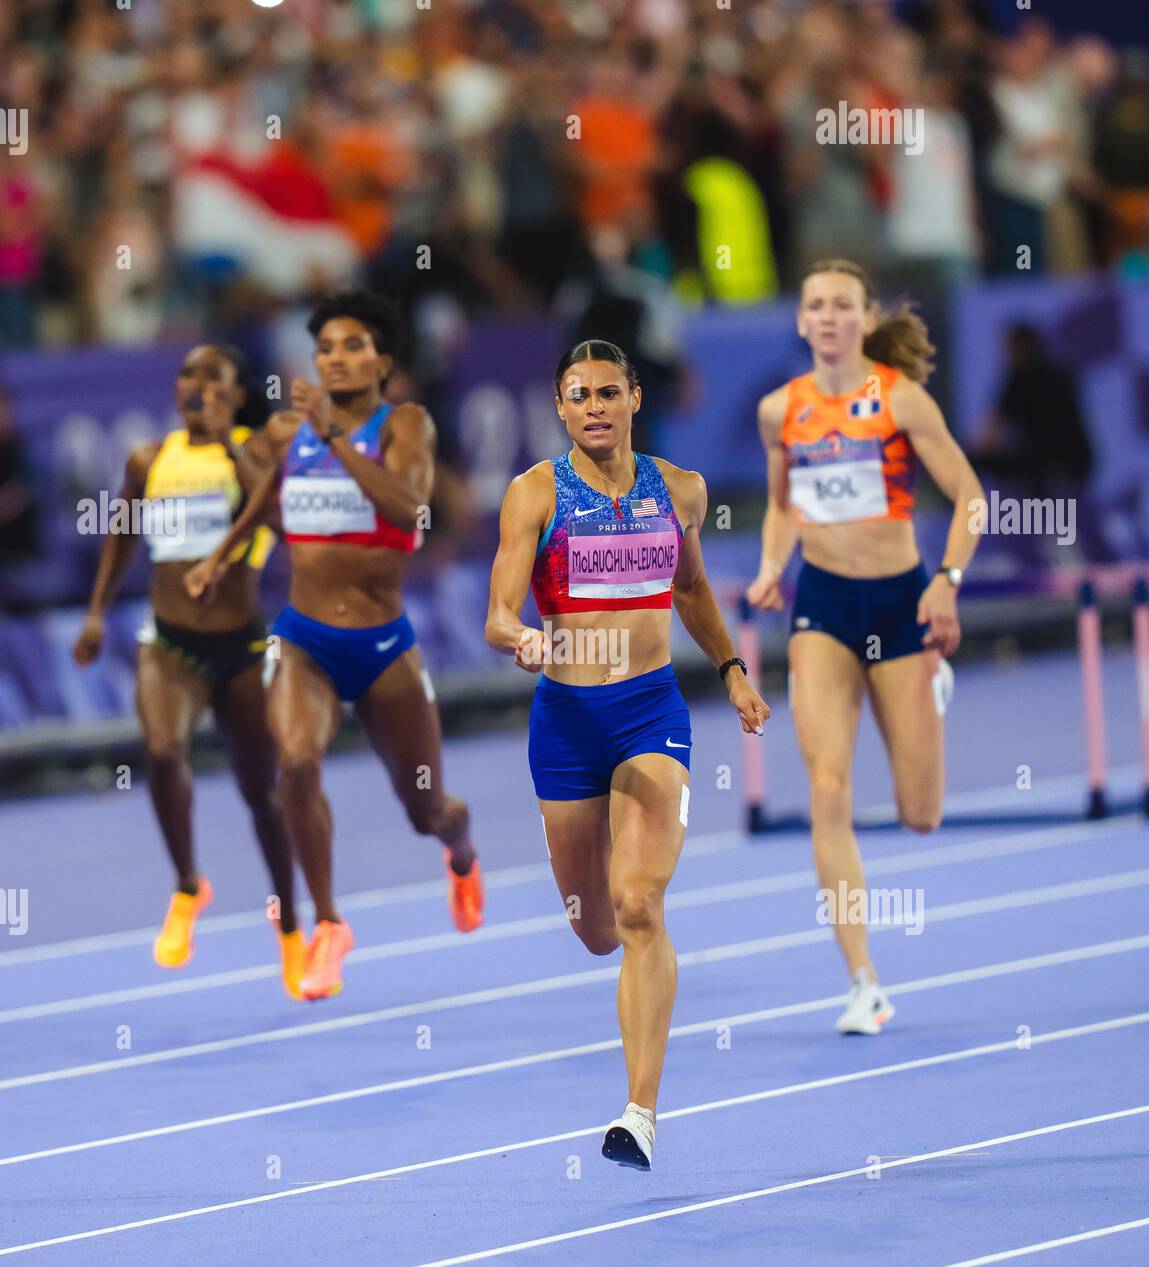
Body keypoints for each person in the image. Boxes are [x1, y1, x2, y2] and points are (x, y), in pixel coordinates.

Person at [485, 339, 770, 1170]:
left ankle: (638, 1114)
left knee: (640, 906)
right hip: (566, 721)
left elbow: (688, 589)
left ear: (634, 399)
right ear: (561, 407)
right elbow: (499, 612)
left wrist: (731, 670)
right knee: (597, 929)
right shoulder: (533, 494)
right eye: (578, 396)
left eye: (608, 392)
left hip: (650, 712)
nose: (594, 408)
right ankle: (605, 933)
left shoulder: (678, 490)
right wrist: (522, 638)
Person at [187, 290, 483, 1002]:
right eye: (325, 349)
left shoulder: (404, 425)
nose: (336, 359)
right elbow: (264, 496)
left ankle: (461, 849)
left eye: (352, 347)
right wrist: (220, 554)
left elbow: (409, 507)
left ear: (382, 360)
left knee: (426, 809)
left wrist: (336, 438)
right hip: (303, 637)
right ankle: (328, 924)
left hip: (383, 646)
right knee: (295, 759)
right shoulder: (295, 433)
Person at [747, 259, 985, 1034]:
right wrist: (770, 566)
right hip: (821, 608)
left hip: (899, 599)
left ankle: (931, 691)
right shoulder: (779, 410)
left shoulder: (900, 399)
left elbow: (971, 500)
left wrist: (945, 580)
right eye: (813, 304)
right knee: (826, 788)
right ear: (800, 320)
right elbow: (782, 503)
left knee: (918, 813)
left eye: (840, 305)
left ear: (861, 316)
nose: (826, 317)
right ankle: (862, 981)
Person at [73, 345, 302, 995]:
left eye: (213, 379)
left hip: (241, 648)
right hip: (169, 643)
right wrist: (95, 615)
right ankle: (186, 887)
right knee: (162, 749)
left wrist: (227, 439)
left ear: (235, 393)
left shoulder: (253, 452)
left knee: (262, 792)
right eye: (187, 376)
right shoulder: (149, 458)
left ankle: (289, 926)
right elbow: (121, 534)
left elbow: (273, 510)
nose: (196, 387)